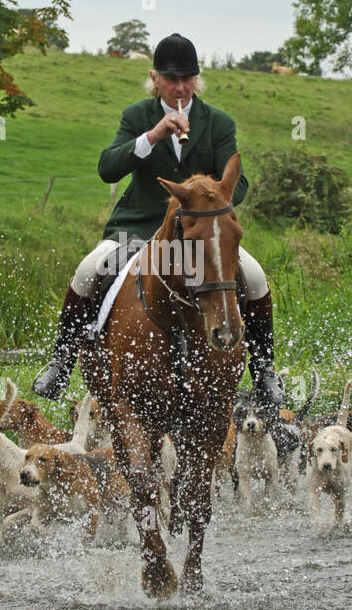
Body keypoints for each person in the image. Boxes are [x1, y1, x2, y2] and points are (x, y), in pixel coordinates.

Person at [33, 32, 284, 405]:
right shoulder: (138, 116)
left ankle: (264, 370)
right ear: (155, 79)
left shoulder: (219, 123)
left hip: (201, 234)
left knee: (256, 276)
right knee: (88, 271)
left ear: (197, 79)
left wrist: (207, 201)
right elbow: (107, 169)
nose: (180, 87)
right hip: (138, 227)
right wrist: (151, 136)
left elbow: (239, 185)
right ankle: (61, 362)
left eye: (187, 79)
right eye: (171, 79)